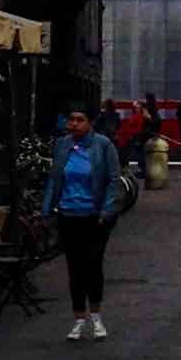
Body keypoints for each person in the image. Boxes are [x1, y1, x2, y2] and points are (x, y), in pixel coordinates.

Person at [43, 105, 124, 342]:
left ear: (89, 122)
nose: (75, 124)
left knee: (93, 265)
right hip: (69, 215)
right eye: (71, 119)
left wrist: (106, 211)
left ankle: (96, 316)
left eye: (80, 119)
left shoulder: (103, 146)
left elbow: (113, 180)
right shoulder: (62, 146)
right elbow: (54, 179)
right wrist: (47, 210)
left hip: (94, 216)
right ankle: (78, 318)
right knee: (74, 268)